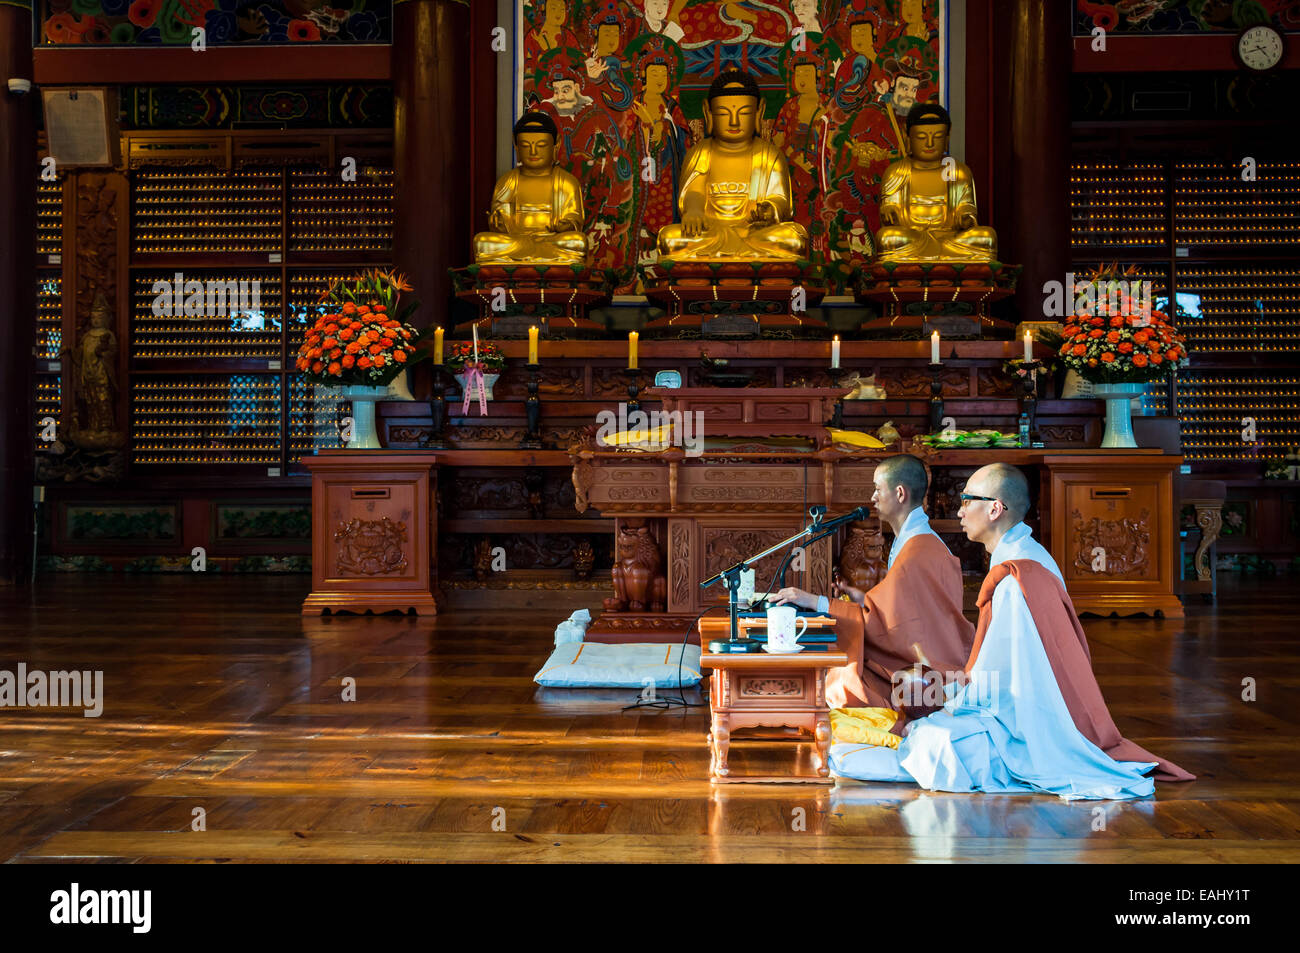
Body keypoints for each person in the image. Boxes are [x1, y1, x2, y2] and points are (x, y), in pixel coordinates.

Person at [829, 462, 1194, 799]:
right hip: (1015, 706)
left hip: (1027, 725)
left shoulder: (1016, 579)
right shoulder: (1022, 557)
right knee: (921, 723)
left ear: (994, 509)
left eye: (967, 500)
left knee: (931, 743)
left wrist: (947, 706)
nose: (959, 511)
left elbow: (1006, 686)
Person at [770, 454, 973, 714]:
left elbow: (895, 626)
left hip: (922, 674)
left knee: (839, 679)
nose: (873, 498)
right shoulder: (918, 541)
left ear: (900, 493)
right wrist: (864, 600)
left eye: (878, 489)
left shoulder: (917, 552)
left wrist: (815, 601)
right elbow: (903, 612)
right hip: (921, 657)